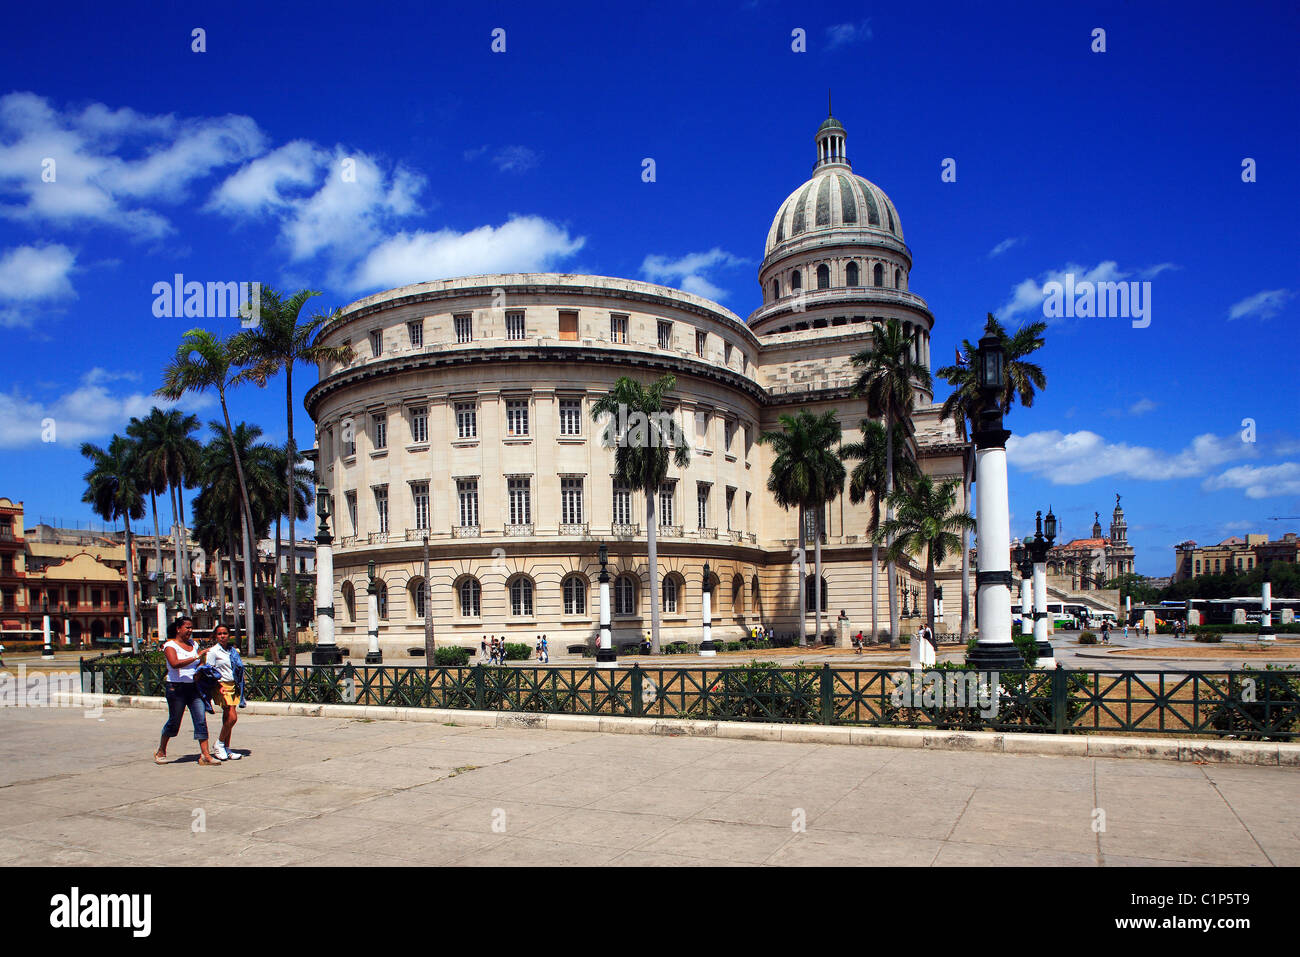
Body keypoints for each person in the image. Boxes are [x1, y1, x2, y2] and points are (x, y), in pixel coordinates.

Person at [154, 617, 219, 766]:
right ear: (178, 629)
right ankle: (161, 750)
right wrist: (195, 656)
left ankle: (205, 755)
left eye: (191, 628)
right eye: (187, 628)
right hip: (176, 689)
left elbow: (200, 661)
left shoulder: (194, 644)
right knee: (174, 722)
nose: (190, 630)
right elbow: (174, 663)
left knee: (200, 720)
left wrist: (200, 669)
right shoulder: (170, 646)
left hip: (194, 688)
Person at [205, 624, 242, 761]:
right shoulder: (213, 651)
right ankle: (219, 743)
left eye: (225, 633)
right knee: (232, 717)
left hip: (233, 685)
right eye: (219, 634)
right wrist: (218, 684)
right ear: (216, 636)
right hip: (221, 686)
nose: (222, 636)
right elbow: (209, 670)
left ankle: (226, 747)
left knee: (228, 719)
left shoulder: (232, 651)